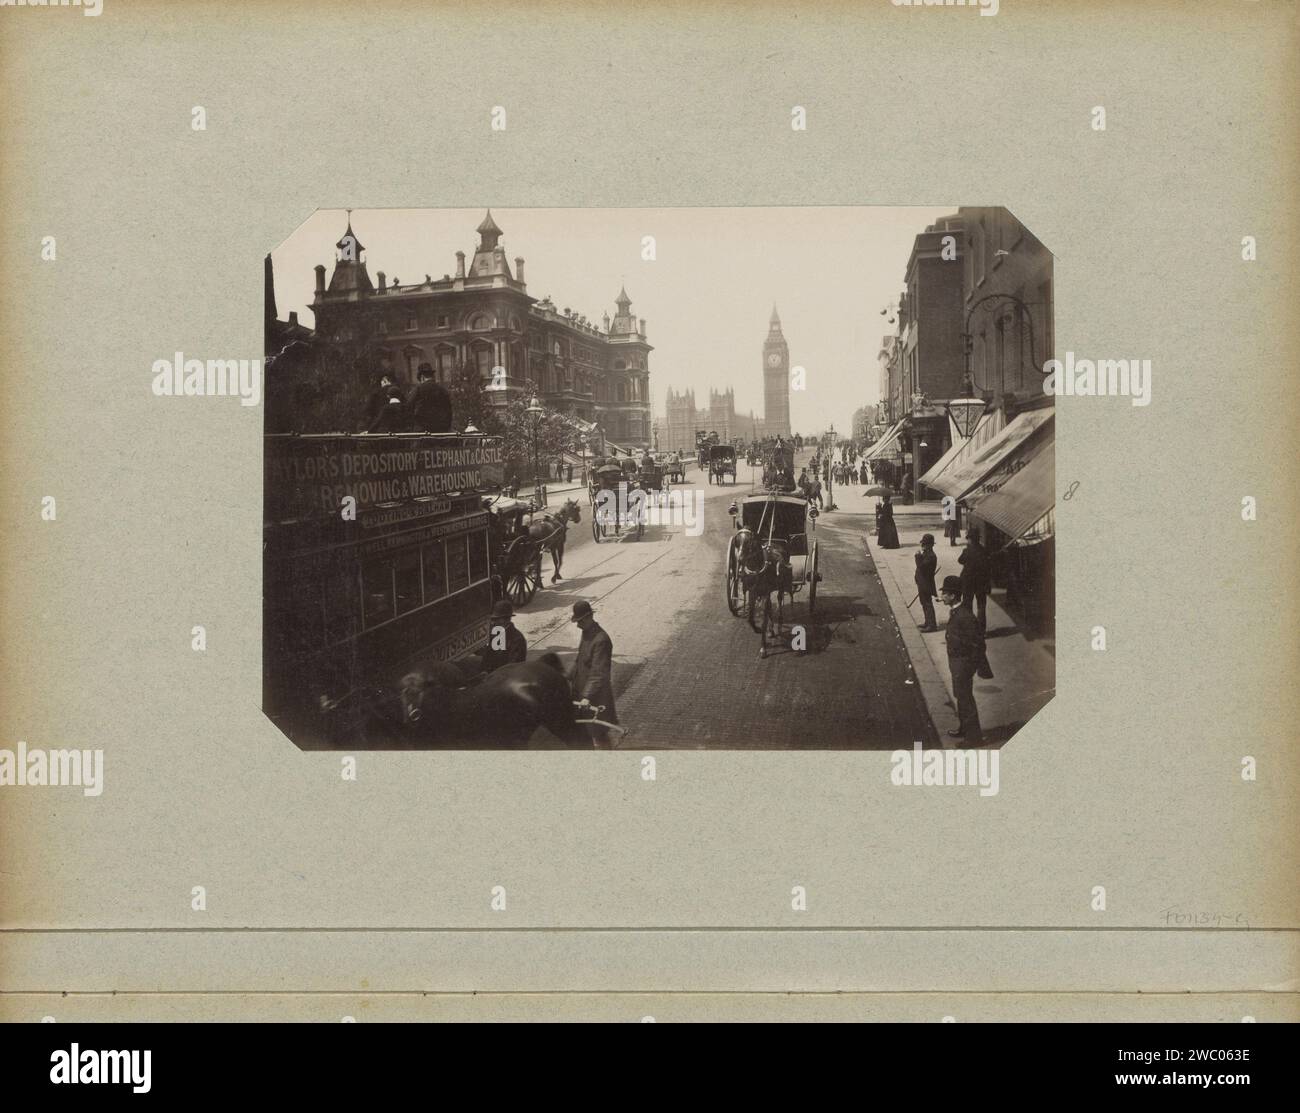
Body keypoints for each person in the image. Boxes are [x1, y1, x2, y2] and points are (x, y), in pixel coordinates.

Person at [940, 575, 984, 743]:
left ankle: (974, 737)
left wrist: (968, 668)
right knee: (960, 695)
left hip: (963, 664)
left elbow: (978, 644)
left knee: (965, 698)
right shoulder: (958, 611)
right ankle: (964, 727)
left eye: (944, 593)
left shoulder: (964, 616)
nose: (942, 596)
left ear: (952, 596)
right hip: (957, 663)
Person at [569, 600, 618, 748]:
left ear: (589, 617)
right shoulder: (587, 633)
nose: (578, 625)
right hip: (583, 694)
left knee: (599, 735)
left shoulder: (601, 640)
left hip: (596, 698)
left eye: (580, 621)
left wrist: (586, 697)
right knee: (586, 734)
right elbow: (579, 661)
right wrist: (567, 678)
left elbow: (599, 673)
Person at [958, 528, 991, 632]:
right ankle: (982, 630)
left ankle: (970, 629)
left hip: (968, 582)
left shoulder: (967, 551)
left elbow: (960, 560)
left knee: (967, 605)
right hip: (981, 582)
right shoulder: (984, 550)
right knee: (981, 606)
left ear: (970, 539)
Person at [481, 600, 527, 674]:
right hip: (494, 674)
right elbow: (488, 656)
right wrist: (484, 670)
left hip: (509, 676)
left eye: (496, 619)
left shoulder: (517, 639)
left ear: (505, 620)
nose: (493, 622)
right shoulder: (497, 633)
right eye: (493, 619)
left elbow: (514, 664)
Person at [407, 362, 454, 433]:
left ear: (422, 377)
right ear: (432, 376)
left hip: (422, 432)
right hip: (440, 432)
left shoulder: (418, 389)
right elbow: (449, 412)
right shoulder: (443, 390)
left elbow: (409, 408)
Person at [915, 533, 939, 632]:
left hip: (926, 583)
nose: (922, 545)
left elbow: (922, 567)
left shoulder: (931, 556)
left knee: (927, 603)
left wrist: (917, 557)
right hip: (922, 582)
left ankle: (931, 625)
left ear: (930, 545)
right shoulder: (926, 553)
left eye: (924, 544)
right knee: (923, 602)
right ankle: (927, 622)